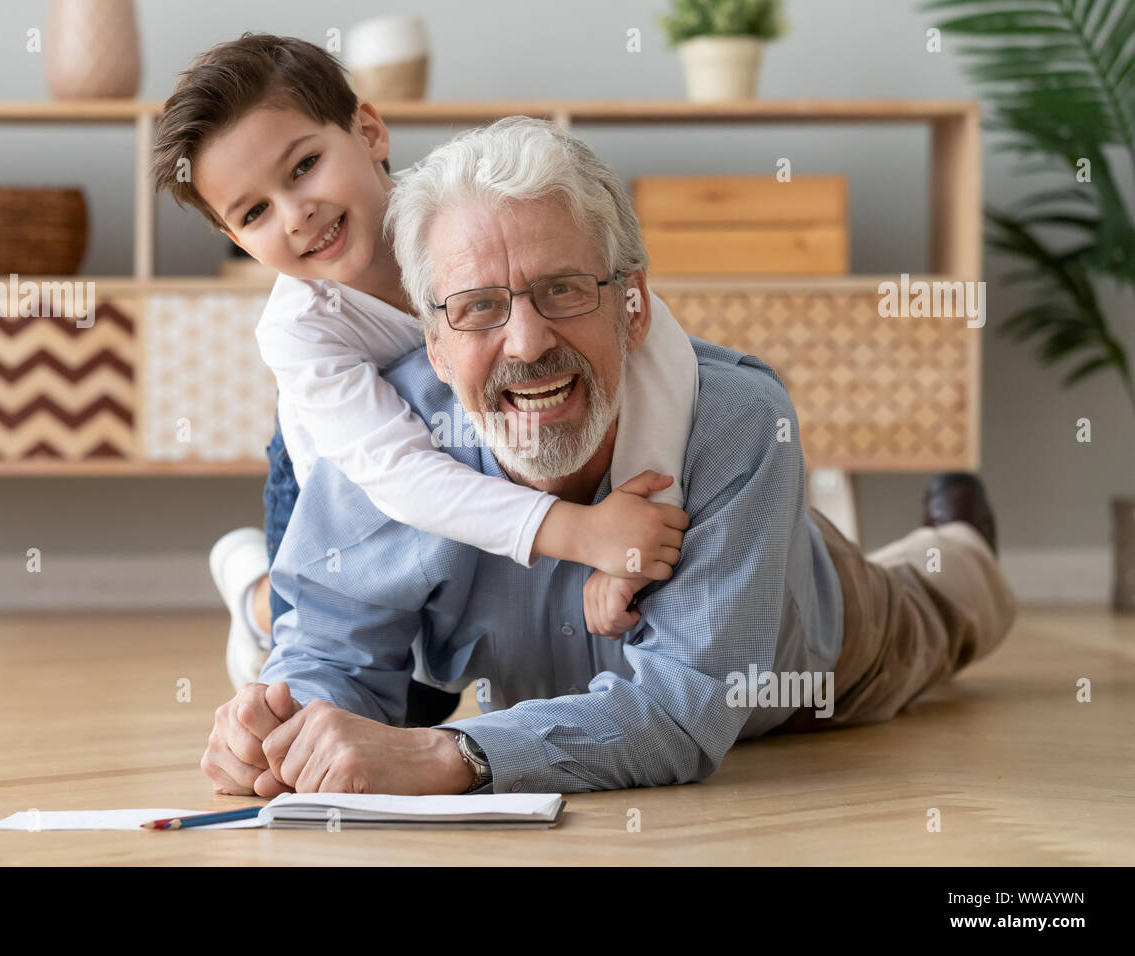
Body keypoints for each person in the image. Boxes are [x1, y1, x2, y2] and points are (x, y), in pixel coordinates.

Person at [196, 116, 1018, 796]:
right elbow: (335, 647)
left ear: (633, 307)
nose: (527, 341)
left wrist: (454, 755)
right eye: (479, 308)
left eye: (564, 289)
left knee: (939, 607)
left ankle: (963, 542)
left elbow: (683, 710)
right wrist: (285, 724)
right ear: (434, 342)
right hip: (563, 706)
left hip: (820, 653)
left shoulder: (735, 419)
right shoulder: (388, 441)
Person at [151, 34, 697, 712]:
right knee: (407, 701)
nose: (296, 215)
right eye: (255, 212)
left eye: (304, 166)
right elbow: (401, 481)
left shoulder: (466, 211)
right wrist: (584, 536)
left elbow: (654, 339)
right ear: (238, 241)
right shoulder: (298, 330)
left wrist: (646, 520)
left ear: (370, 130)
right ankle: (255, 595)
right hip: (344, 484)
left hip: (481, 444)